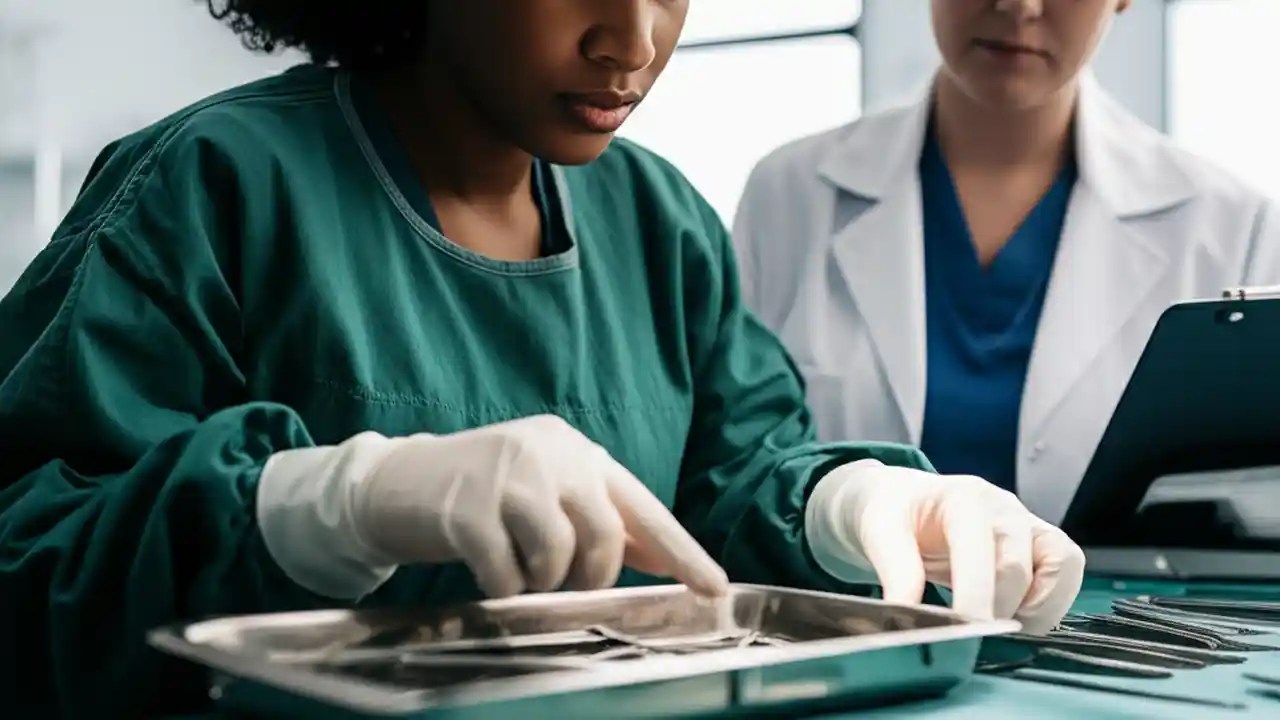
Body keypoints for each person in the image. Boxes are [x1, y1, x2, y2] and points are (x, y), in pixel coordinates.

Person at [0, 2, 1084, 715]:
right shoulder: (212, 185)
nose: (633, 39)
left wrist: (852, 505)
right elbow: (29, 563)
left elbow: (737, 477)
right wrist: (330, 502)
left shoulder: (659, 219)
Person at [733, 0, 1280, 528]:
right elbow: (737, 461)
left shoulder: (1232, 226)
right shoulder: (789, 194)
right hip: (840, 616)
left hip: (1122, 621)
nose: (1019, 6)